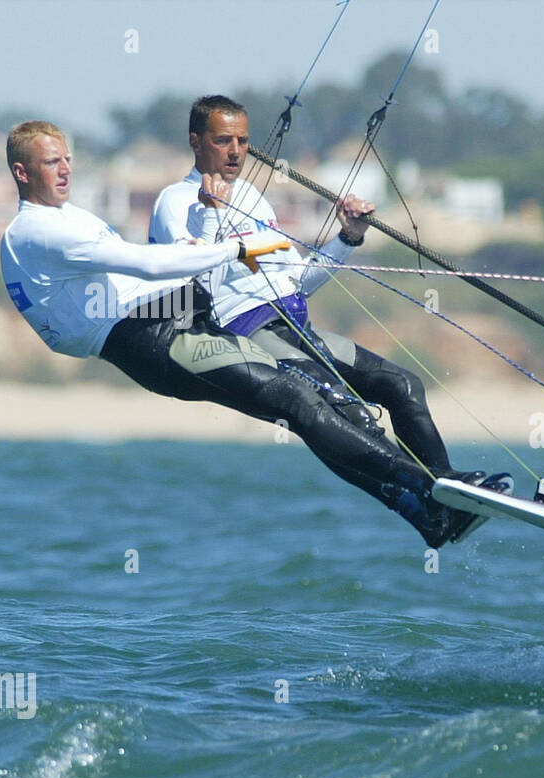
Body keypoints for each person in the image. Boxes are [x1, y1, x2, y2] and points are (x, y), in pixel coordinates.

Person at [0, 119, 497, 548]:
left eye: (67, 159)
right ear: (22, 172)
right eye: (51, 163)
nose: (65, 169)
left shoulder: (64, 219)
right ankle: (431, 488)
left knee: (306, 405)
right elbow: (141, 263)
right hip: (152, 340)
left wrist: (200, 254)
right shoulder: (39, 230)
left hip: (174, 321)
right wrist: (230, 249)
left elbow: (130, 275)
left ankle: (427, 509)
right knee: (298, 401)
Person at [150, 95, 492, 493]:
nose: (236, 151)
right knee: (351, 414)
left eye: (243, 141)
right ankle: (424, 494)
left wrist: (348, 237)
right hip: (248, 334)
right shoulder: (174, 202)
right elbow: (188, 279)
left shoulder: (252, 198)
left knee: (403, 385)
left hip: (297, 327)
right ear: (196, 142)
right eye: (223, 140)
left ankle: (446, 483)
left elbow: (300, 281)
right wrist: (210, 212)